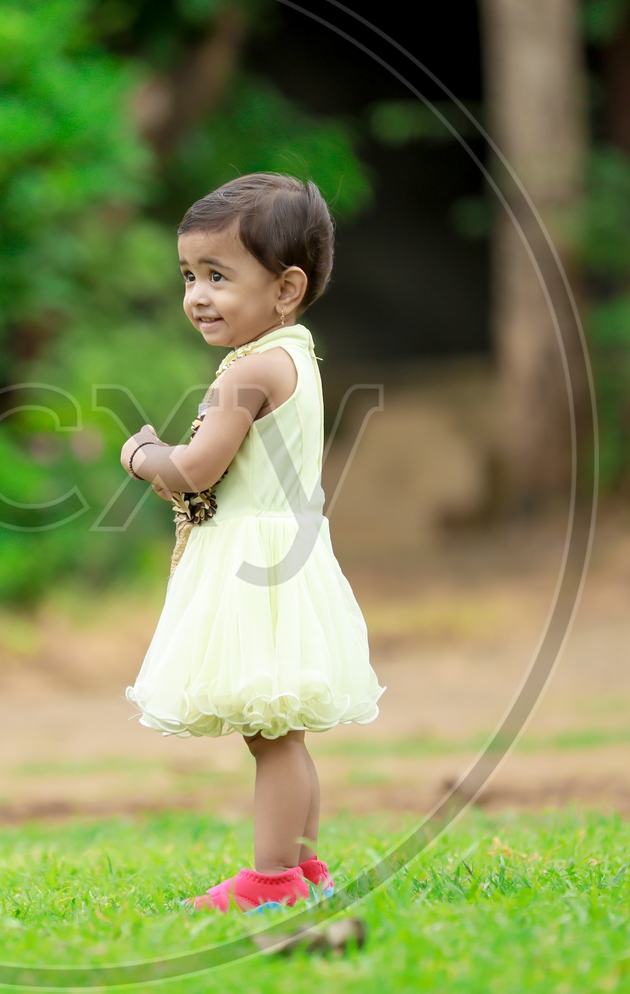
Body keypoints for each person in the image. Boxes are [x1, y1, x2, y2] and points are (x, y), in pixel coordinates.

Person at [118, 172, 386, 913]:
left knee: (273, 737)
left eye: (218, 276)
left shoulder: (253, 370)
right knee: (281, 733)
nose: (197, 294)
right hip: (282, 559)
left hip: (254, 569)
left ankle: (270, 879)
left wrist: (142, 456)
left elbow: (197, 469)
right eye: (189, 276)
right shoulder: (294, 354)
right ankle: (306, 869)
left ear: (286, 288)